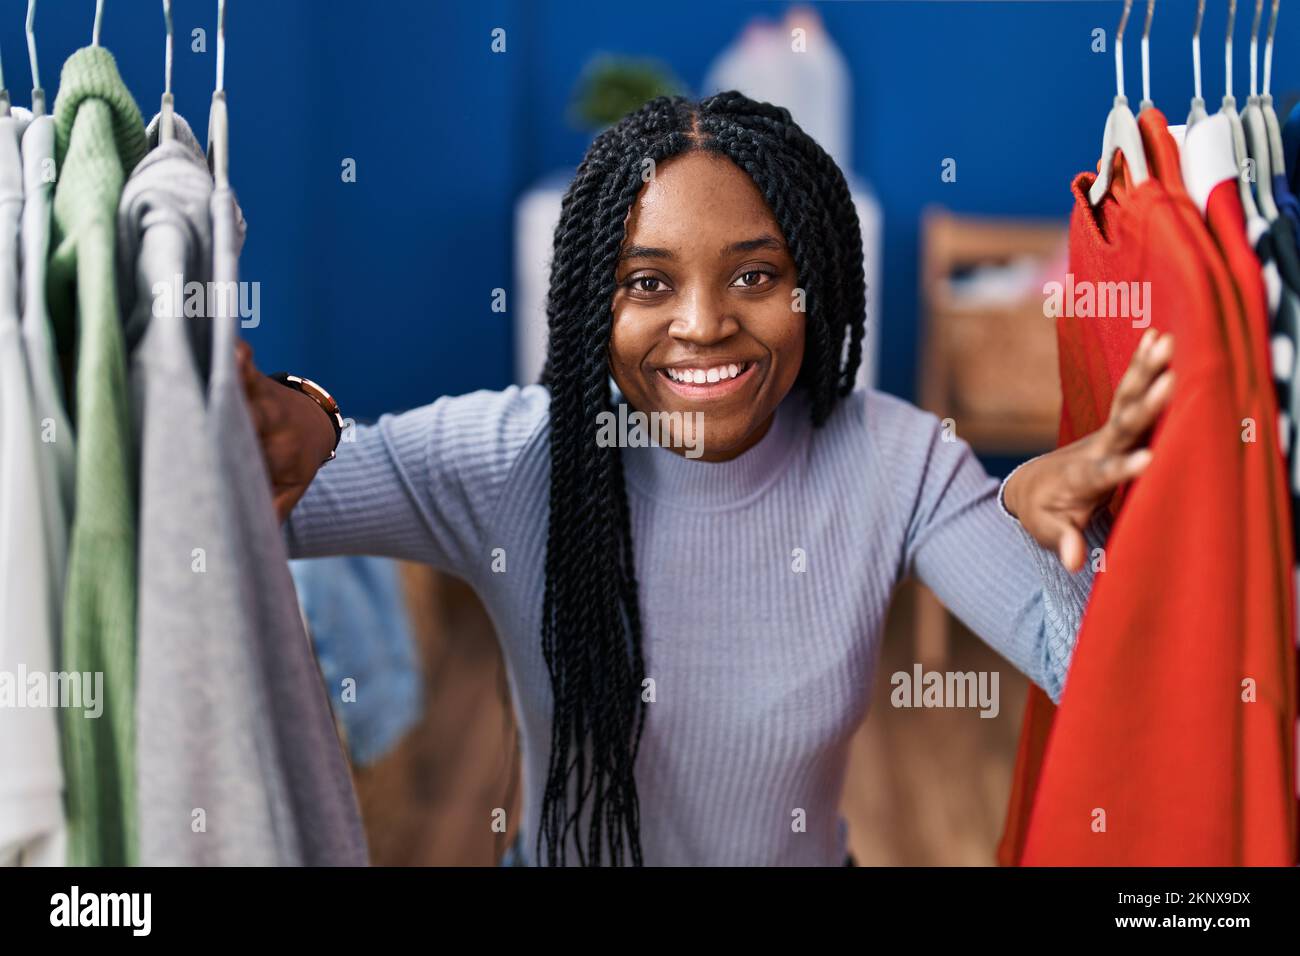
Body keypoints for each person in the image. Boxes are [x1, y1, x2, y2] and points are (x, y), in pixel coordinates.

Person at [237, 93, 1174, 867]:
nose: (703, 323)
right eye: (647, 283)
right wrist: (300, 420)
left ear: (816, 285)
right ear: (590, 305)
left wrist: (1057, 539)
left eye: (754, 276)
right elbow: (243, 502)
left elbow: (1107, 674)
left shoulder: (896, 460)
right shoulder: (511, 457)